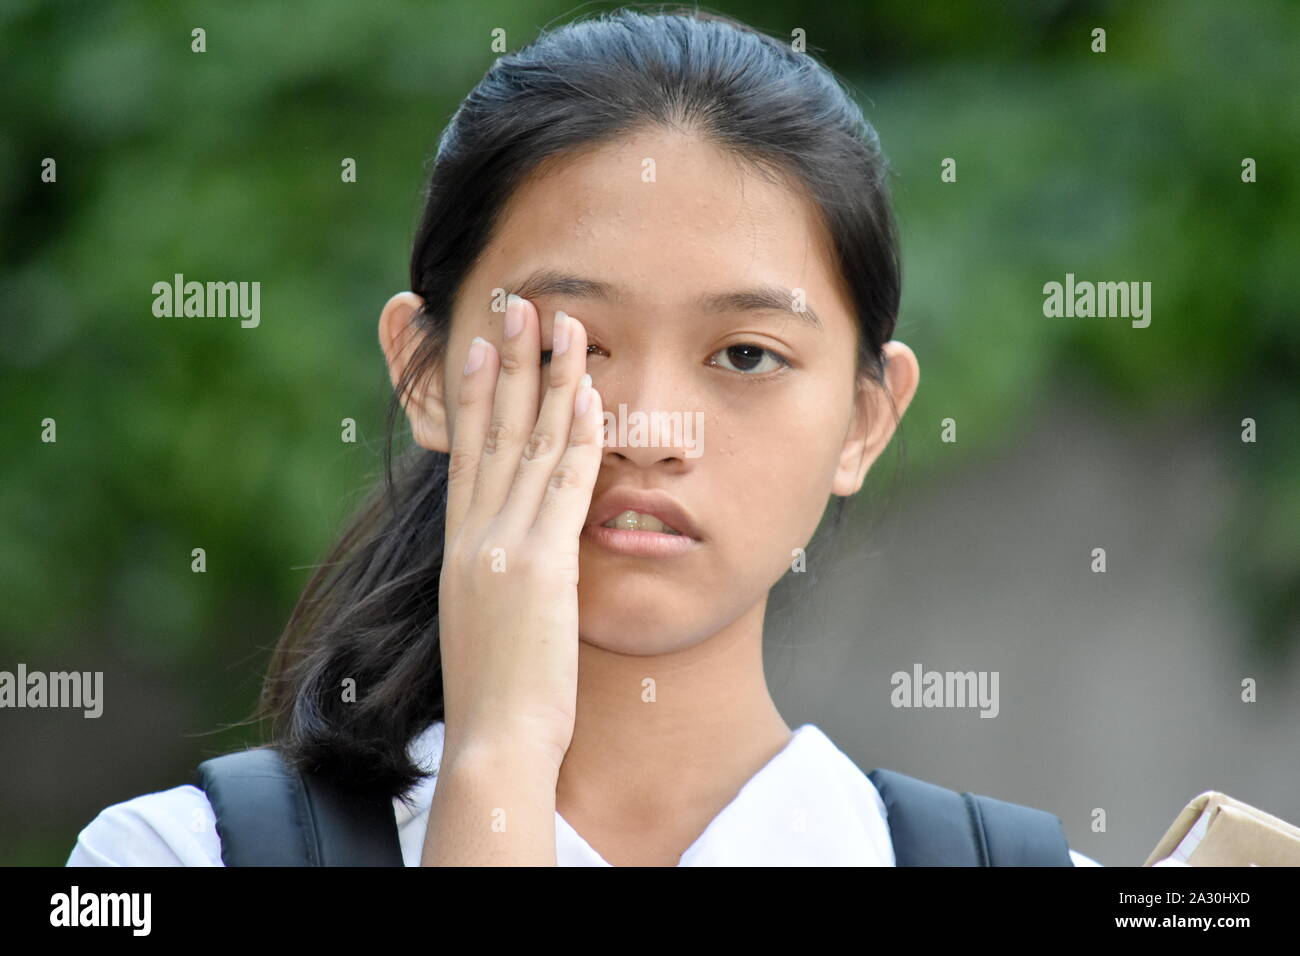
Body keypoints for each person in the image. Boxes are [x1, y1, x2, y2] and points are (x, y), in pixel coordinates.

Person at [68, 5, 1100, 867]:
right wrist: (498, 756)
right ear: (426, 372)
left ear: (864, 419)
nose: (646, 431)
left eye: (745, 354)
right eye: (570, 342)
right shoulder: (175, 856)